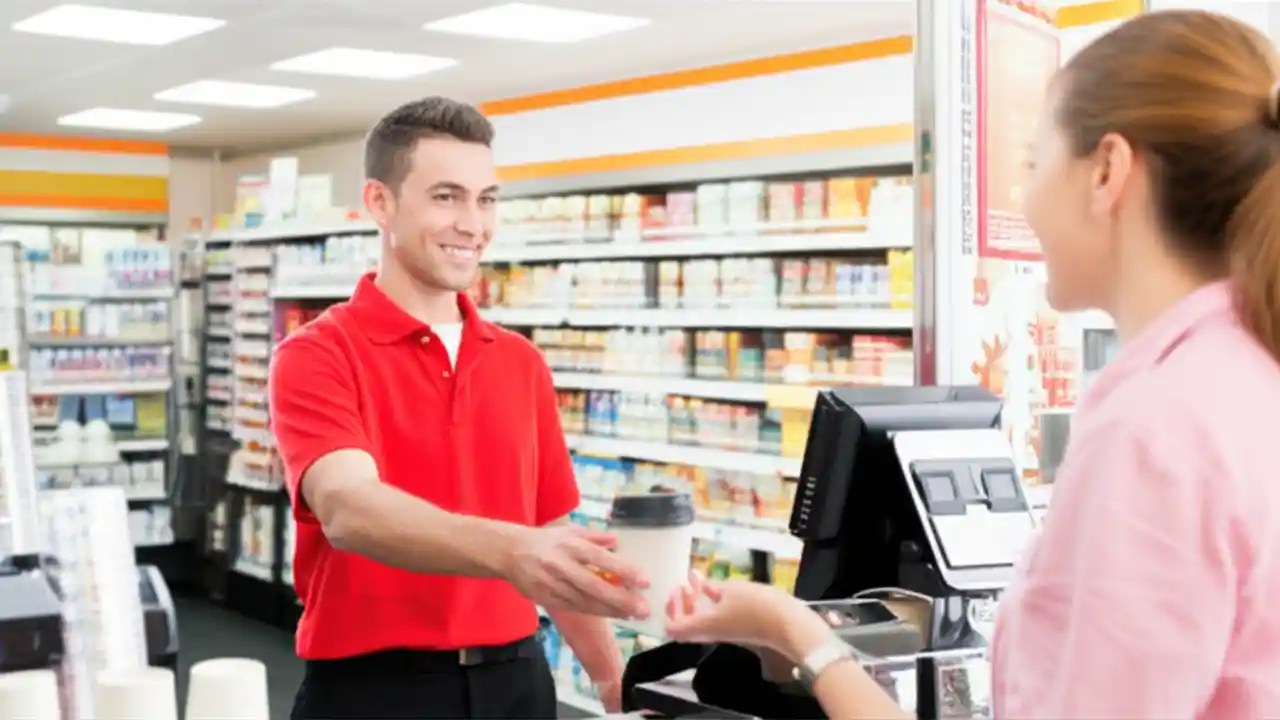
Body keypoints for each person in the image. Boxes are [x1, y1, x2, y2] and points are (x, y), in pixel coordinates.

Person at [662, 10, 1280, 719]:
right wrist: (795, 629)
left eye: (1033, 163)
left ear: (1107, 170)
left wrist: (794, 632)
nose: (1024, 197)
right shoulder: (1249, 376)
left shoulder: (1155, 430)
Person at [269, 96, 648, 720]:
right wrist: (512, 551)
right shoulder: (318, 354)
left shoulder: (519, 363)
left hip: (517, 682)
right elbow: (348, 509)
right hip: (375, 691)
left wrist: (612, 681)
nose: (473, 224)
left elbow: (550, 536)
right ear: (379, 203)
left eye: (487, 198)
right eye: (447, 197)